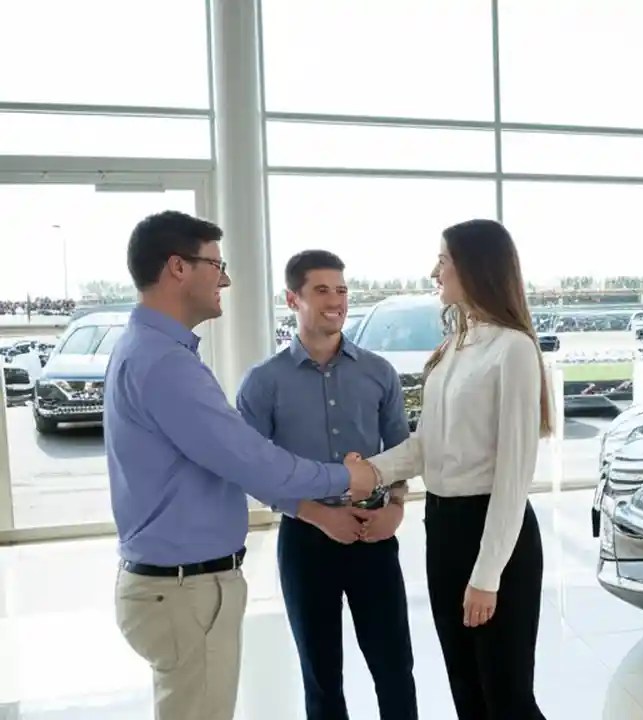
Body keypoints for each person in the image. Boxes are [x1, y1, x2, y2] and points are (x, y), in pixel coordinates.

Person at [105, 211, 379, 720]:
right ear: (177, 268)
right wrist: (347, 476)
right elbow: (251, 460)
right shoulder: (165, 363)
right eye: (216, 264)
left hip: (176, 588)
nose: (225, 279)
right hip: (183, 591)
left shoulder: (151, 350)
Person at [367, 219, 551, 719]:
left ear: (474, 266)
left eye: (443, 260)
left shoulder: (513, 349)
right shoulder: (452, 350)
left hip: (494, 531)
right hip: (443, 528)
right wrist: (365, 473)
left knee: (507, 696)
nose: (434, 271)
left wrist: (487, 575)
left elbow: (514, 476)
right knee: (466, 691)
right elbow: (425, 447)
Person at [237, 250, 417, 719]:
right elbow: (253, 470)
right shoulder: (263, 382)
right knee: (321, 673)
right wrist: (319, 515)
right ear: (292, 298)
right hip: (306, 538)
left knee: (395, 666)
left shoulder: (378, 372)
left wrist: (394, 510)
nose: (335, 300)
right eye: (322, 290)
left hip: (373, 534)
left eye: (341, 289)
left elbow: (403, 452)